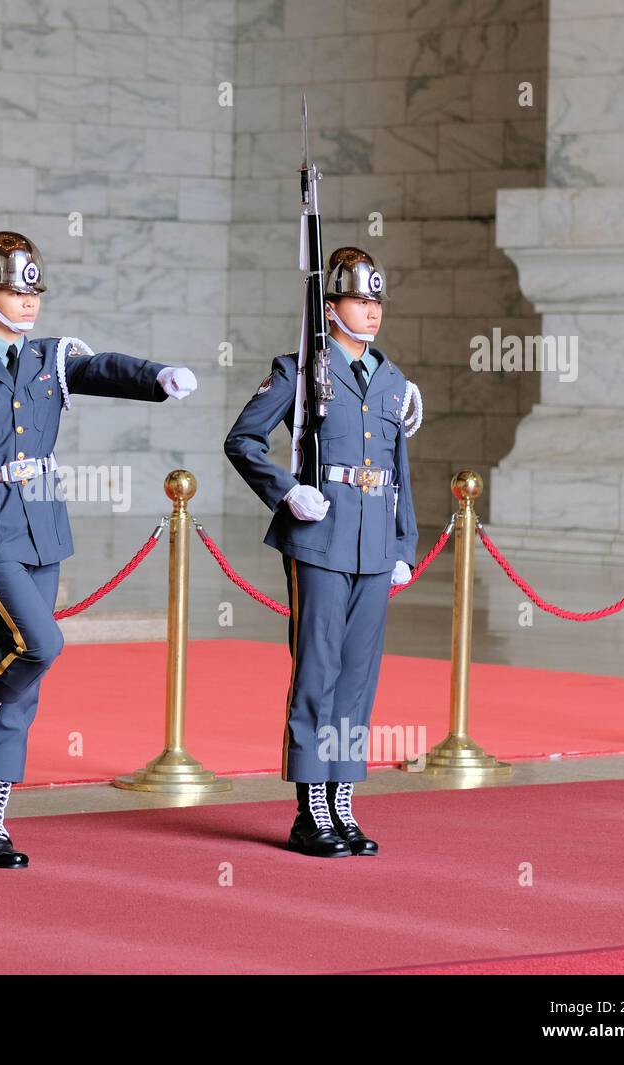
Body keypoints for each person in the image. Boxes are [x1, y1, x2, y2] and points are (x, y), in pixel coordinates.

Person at [0, 230, 198, 868]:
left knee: (25, 679)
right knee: (40, 645)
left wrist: (157, 378)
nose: (28, 301)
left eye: (34, 290)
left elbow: (101, 368)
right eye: (14, 289)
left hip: (43, 526)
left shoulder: (51, 357)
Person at [224, 247, 419, 858]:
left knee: (359, 679)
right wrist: (287, 491)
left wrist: (404, 543)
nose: (372, 311)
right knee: (318, 670)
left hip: (373, 544)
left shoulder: (392, 380)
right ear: (329, 308)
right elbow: (243, 439)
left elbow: (398, 473)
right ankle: (310, 807)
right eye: (360, 300)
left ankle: (342, 800)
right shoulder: (299, 373)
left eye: (377, 300)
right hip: (321, 538)